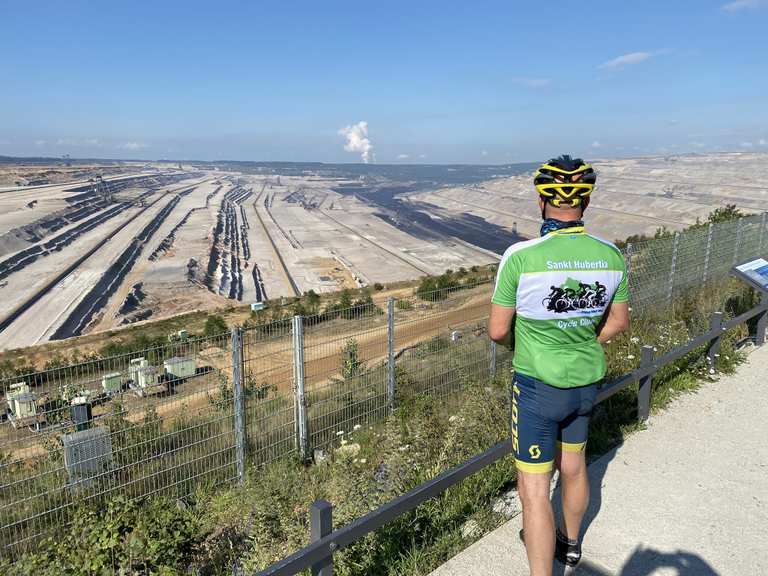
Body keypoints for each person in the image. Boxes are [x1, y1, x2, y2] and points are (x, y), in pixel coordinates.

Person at [488, 155, 630, 575]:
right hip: (585, 382)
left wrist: (525, 345)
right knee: (573, 465)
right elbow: (619, 322)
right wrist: (583, 340)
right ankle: (570, 545)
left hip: (536, 386)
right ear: (586, 201)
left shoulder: (520, 256)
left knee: (533, 489)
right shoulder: (610, 255)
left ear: (541, 201)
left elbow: (497, 330)